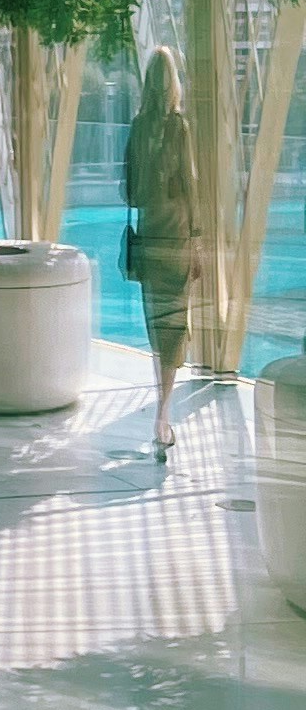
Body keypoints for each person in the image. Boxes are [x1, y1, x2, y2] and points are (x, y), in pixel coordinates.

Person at [125, 42, 202, 456]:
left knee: (159, 328)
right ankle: (163, 413)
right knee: (176, 328)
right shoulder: (180, 127)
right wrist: (199, 240)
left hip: (149, 236)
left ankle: (162, 410)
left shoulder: (138, 126)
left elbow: (129, 191)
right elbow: (191, 188)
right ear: (173, 82)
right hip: (176, 239)